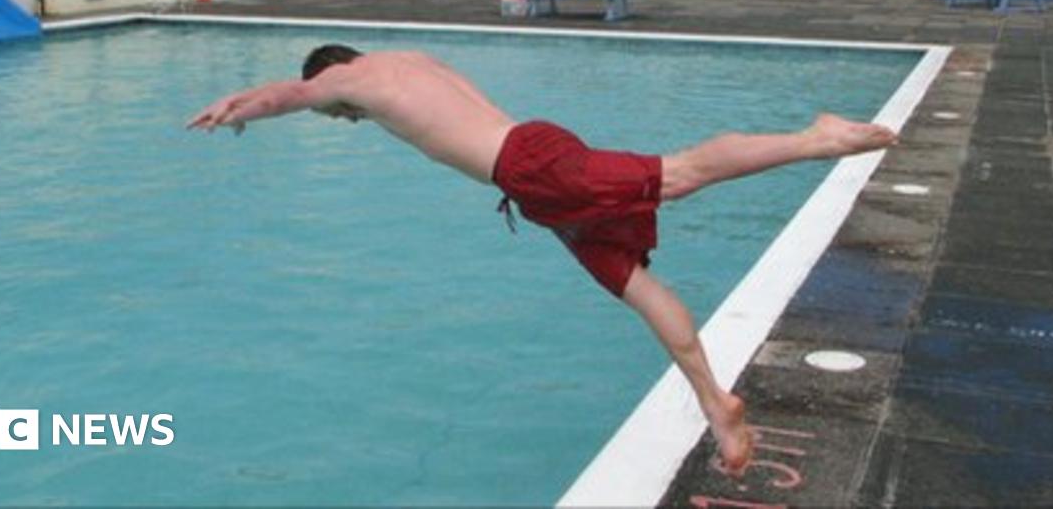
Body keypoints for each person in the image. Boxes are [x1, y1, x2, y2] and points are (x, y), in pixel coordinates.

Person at [186, 45, 897, 476]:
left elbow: (293, 91)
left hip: (532, 170)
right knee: (634, 283)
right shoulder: (411, 62)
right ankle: (718, 405)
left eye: (335, 110)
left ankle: (816, 138)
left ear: (332, 75)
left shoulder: (349, 79)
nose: (340, 117)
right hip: (531, 166)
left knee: (676, 174)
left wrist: (239, 104)